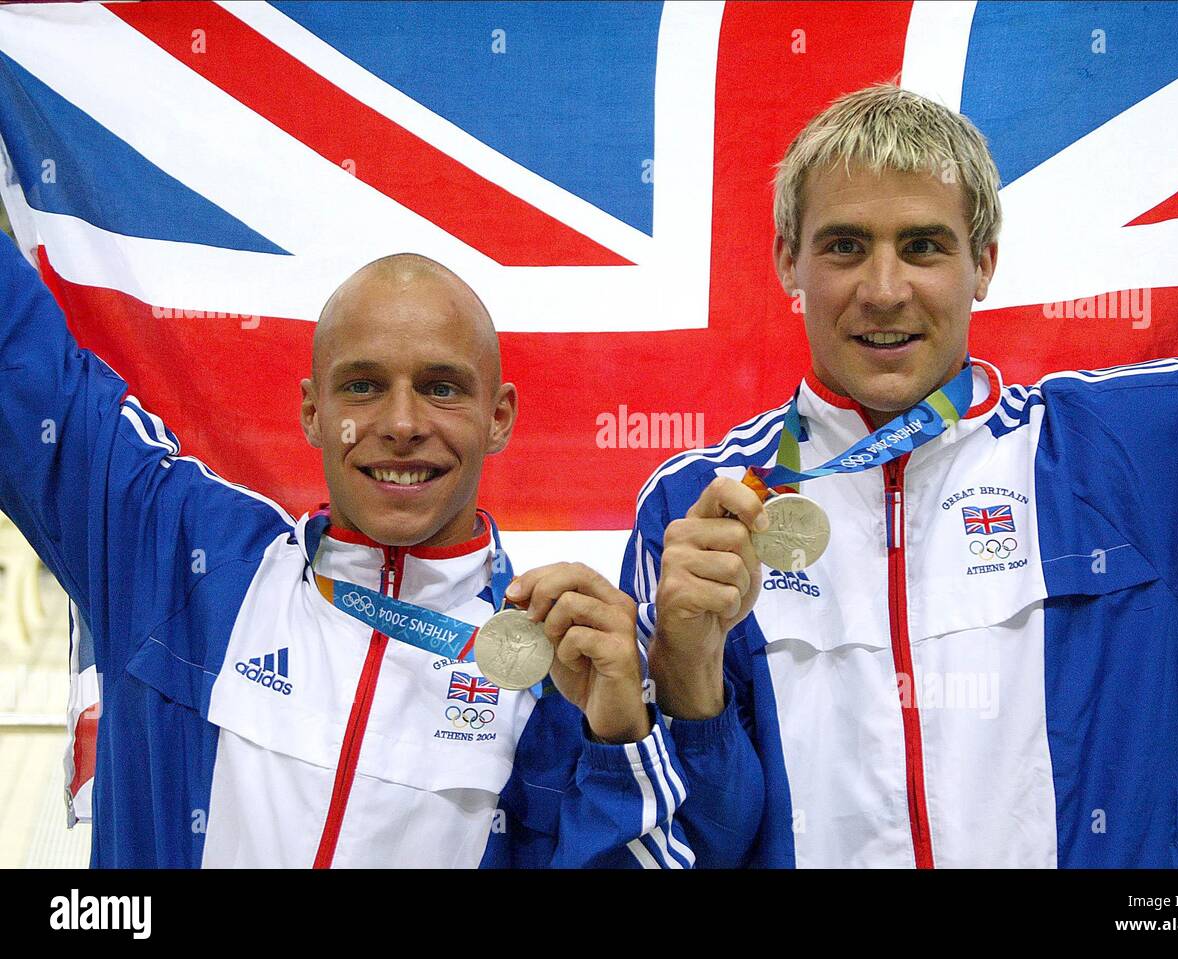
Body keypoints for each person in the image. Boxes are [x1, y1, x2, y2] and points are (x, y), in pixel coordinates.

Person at [623, 83, 1178, 867]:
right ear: (788, 263)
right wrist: (688, 671)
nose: (883, 290)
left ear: (982, 264)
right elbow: (703, 842)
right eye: (844, 246)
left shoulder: (1121, 452)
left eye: (923, 246)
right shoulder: (695, 507)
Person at [0, 243, 730, 868]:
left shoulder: (557, 664)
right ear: (313, 410)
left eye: (442, 388)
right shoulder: (179, 552)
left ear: (498, 416)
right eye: (364, 387)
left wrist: (618, 741)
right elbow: (24, 369)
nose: (403, 424)